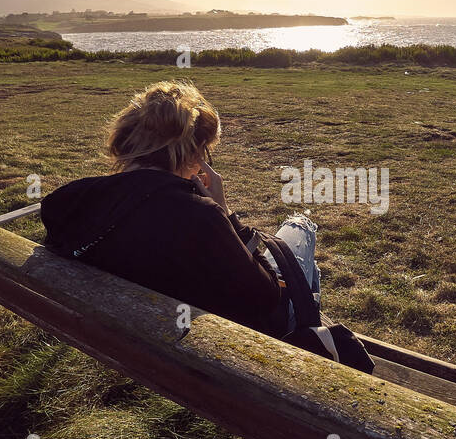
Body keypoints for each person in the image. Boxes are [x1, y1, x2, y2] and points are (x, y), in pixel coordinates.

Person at [40, 80, 319, 338]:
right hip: (214, 344)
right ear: (196, 153)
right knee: (300, 229)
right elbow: (268, 297)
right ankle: (312, 331)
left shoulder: (67, 199)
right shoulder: (202, 216)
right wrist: (225, 212)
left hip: (118, 335)